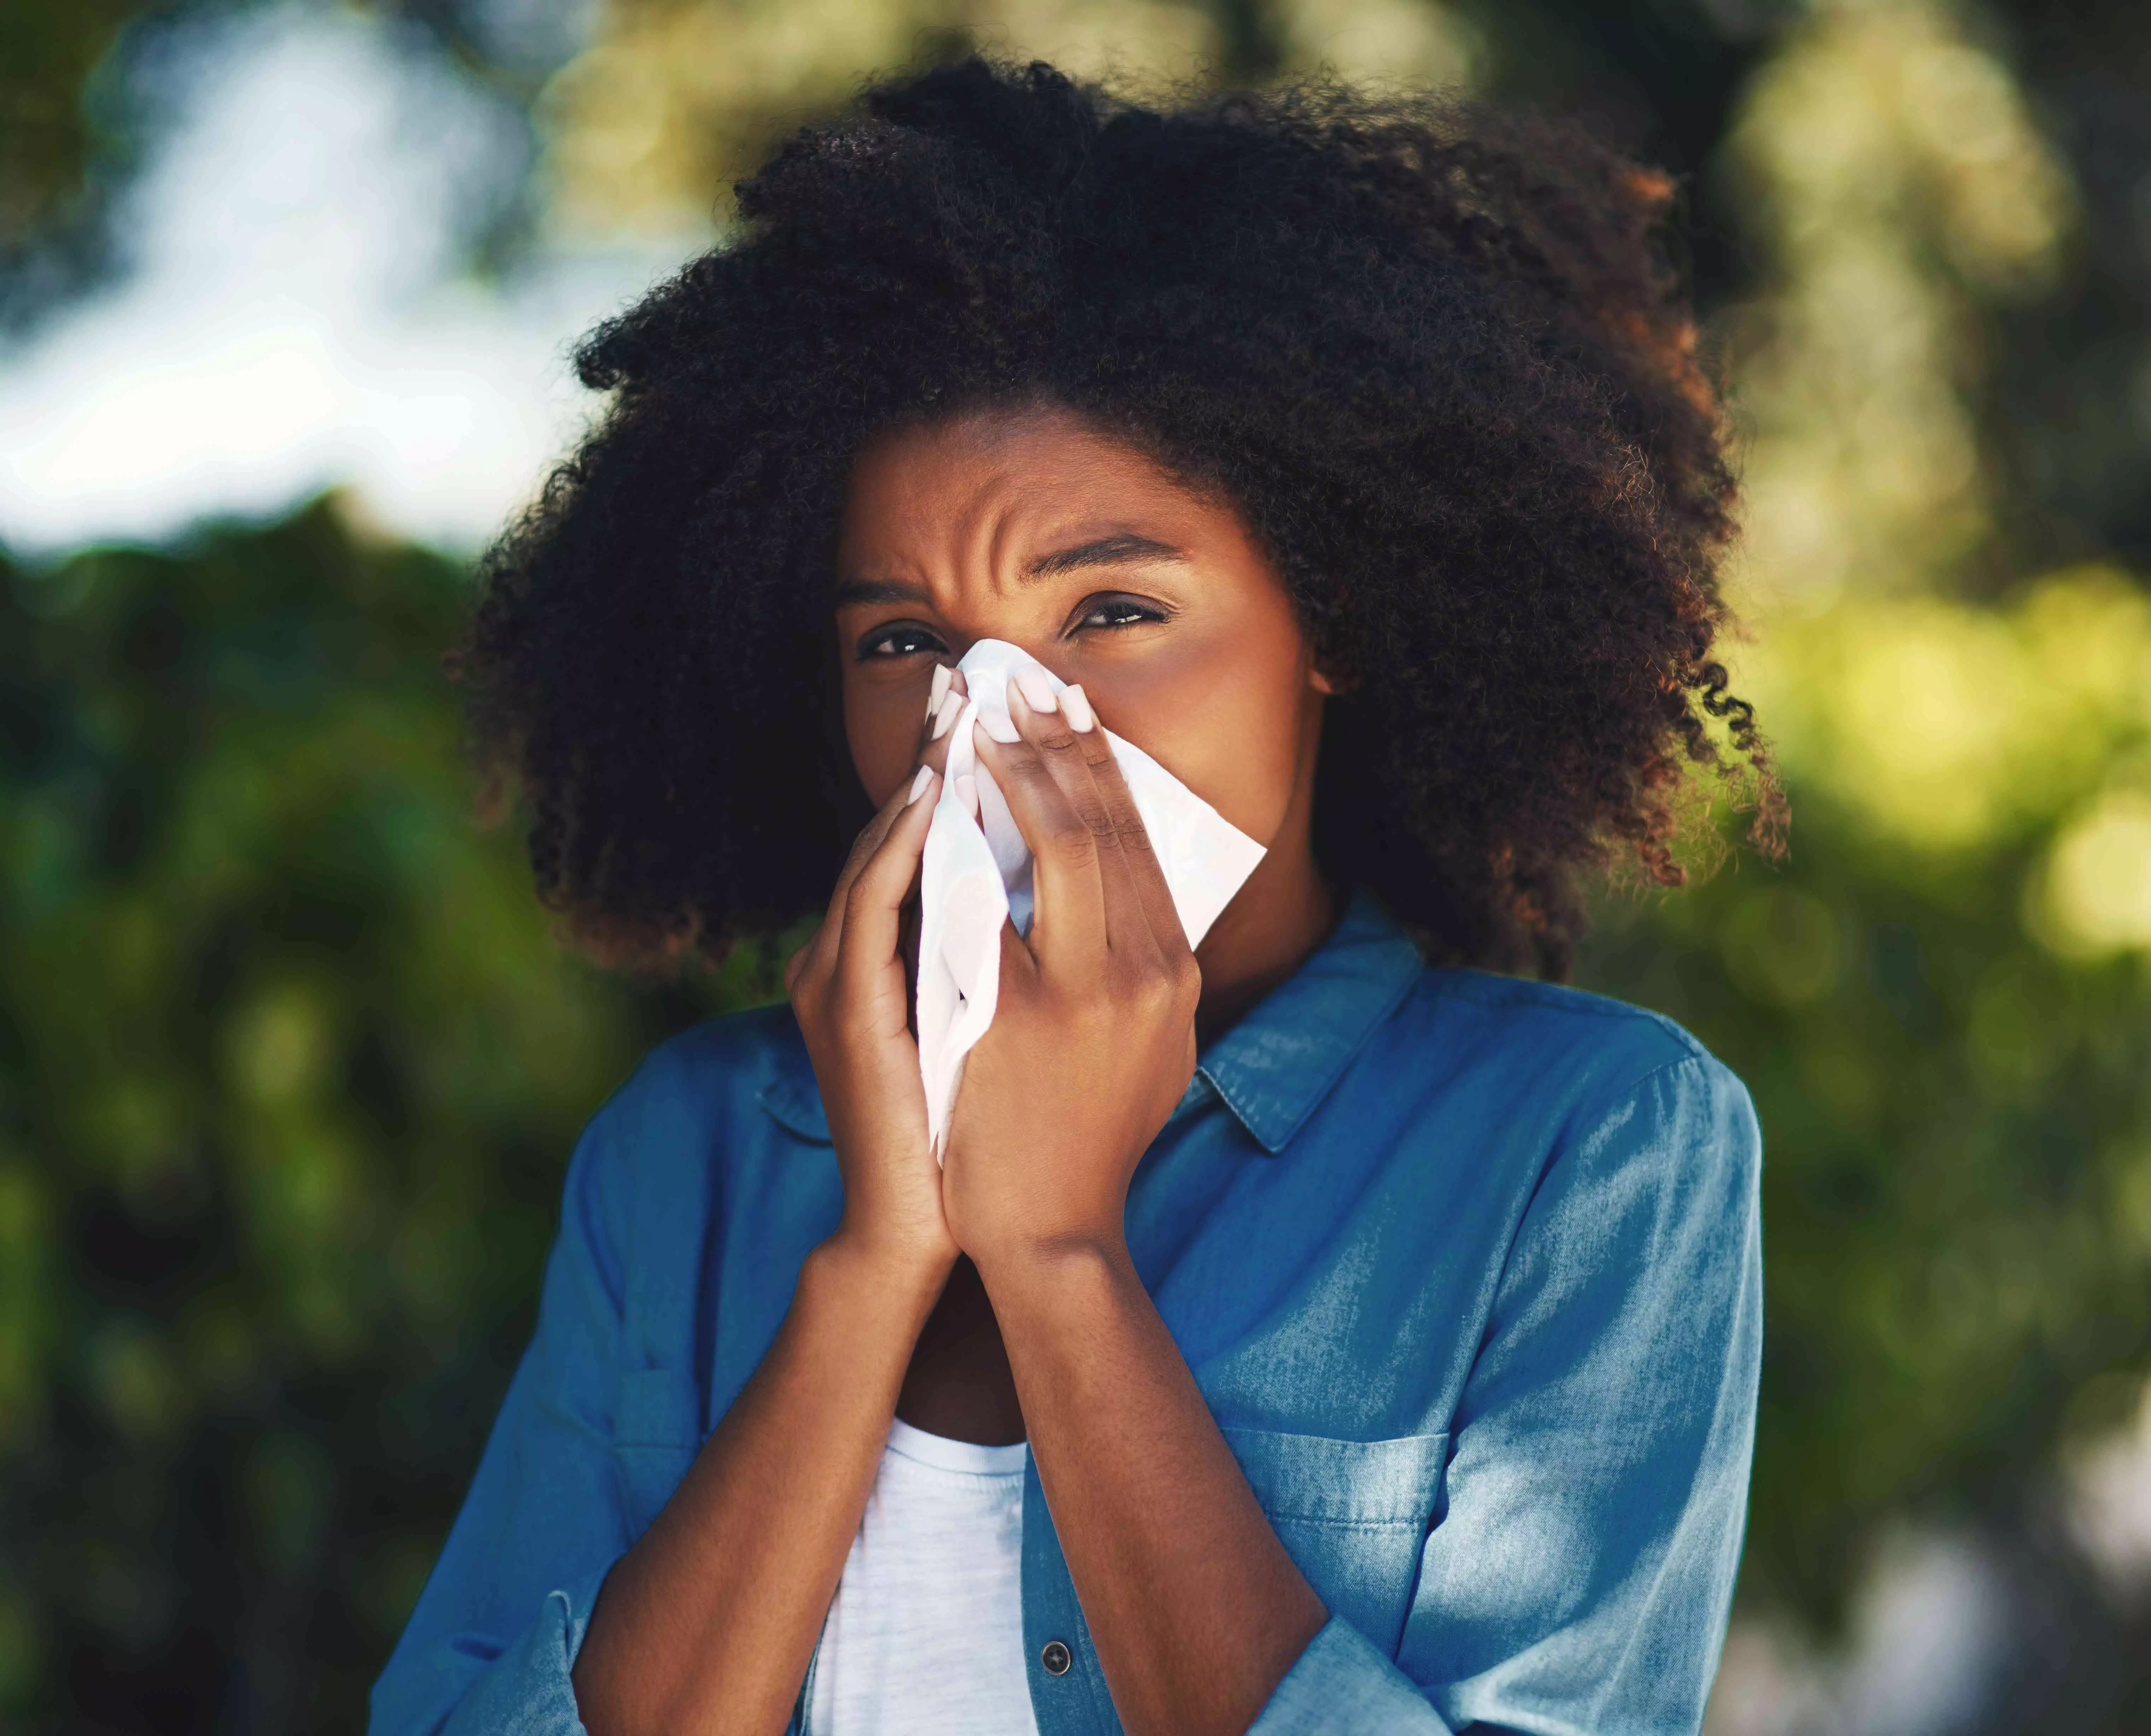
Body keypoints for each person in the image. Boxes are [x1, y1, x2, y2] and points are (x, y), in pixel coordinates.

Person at [370, 55, 1778, 1736]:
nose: (995, 716)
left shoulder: (1591, 1144)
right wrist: (874, 1263)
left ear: (1329, 620)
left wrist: (1055, 1254)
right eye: (904, 642)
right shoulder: (692, 1155)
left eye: (1111, 609)